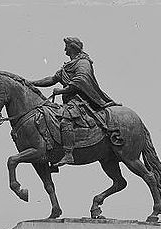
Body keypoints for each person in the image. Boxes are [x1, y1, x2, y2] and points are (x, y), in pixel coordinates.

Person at [31, 37, 116, 167]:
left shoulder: (83, 63)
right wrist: (31, 83)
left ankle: (68, 154)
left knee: (66, 120)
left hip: (81, 101)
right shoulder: (68, 65)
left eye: (66, 46)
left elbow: (81, 80)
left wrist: (62, 90)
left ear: (73, 47)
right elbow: (52, 79)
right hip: (69, 101)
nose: (65, 49)